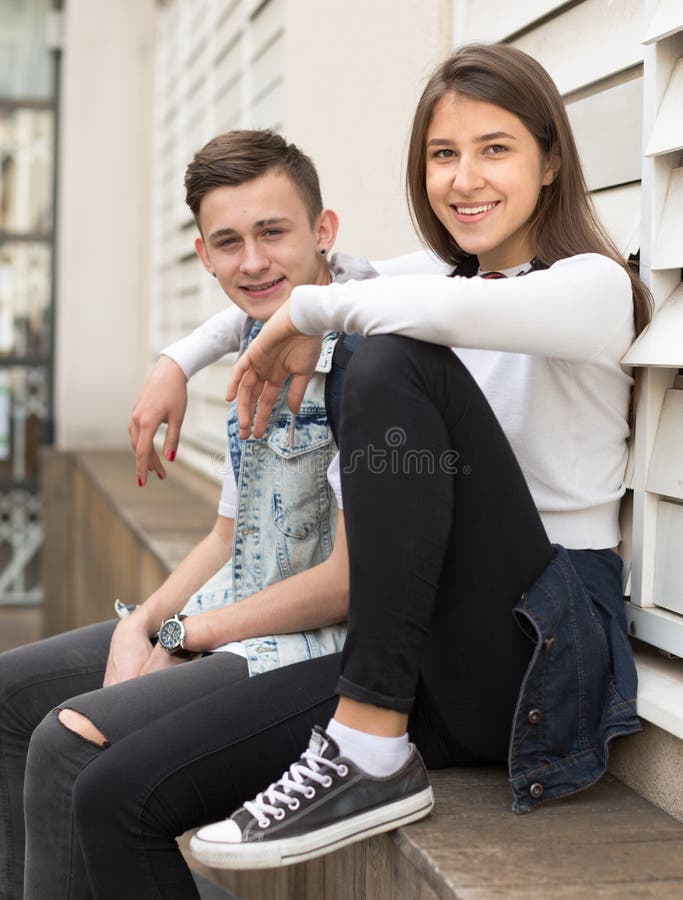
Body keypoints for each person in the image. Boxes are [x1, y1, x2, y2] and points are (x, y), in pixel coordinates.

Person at [187, 42, 649, 871]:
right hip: (432, 645)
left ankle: (367, 749)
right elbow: (315, 279)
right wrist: (175, 362)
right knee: (117, 786)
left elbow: (341, 298)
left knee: (387, 357)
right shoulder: (438, 284)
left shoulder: (594, 286)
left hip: (545, 652)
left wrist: (311, 314)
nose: (463, 179)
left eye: (494, 149)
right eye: (442, 155)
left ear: (550, 161)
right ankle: (366, 737)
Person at [0, 129, 360, 900]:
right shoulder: (255, 347)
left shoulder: (366, 357)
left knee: (67, 746)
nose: (252, 261)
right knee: (10, 695)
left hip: (310, 646)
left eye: (273, 232)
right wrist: (142, 624)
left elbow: (346, 585)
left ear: (323, 230)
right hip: (235, 611)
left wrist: (182, 635)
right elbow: (227, 535)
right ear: (203, 255)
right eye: (228, 242)